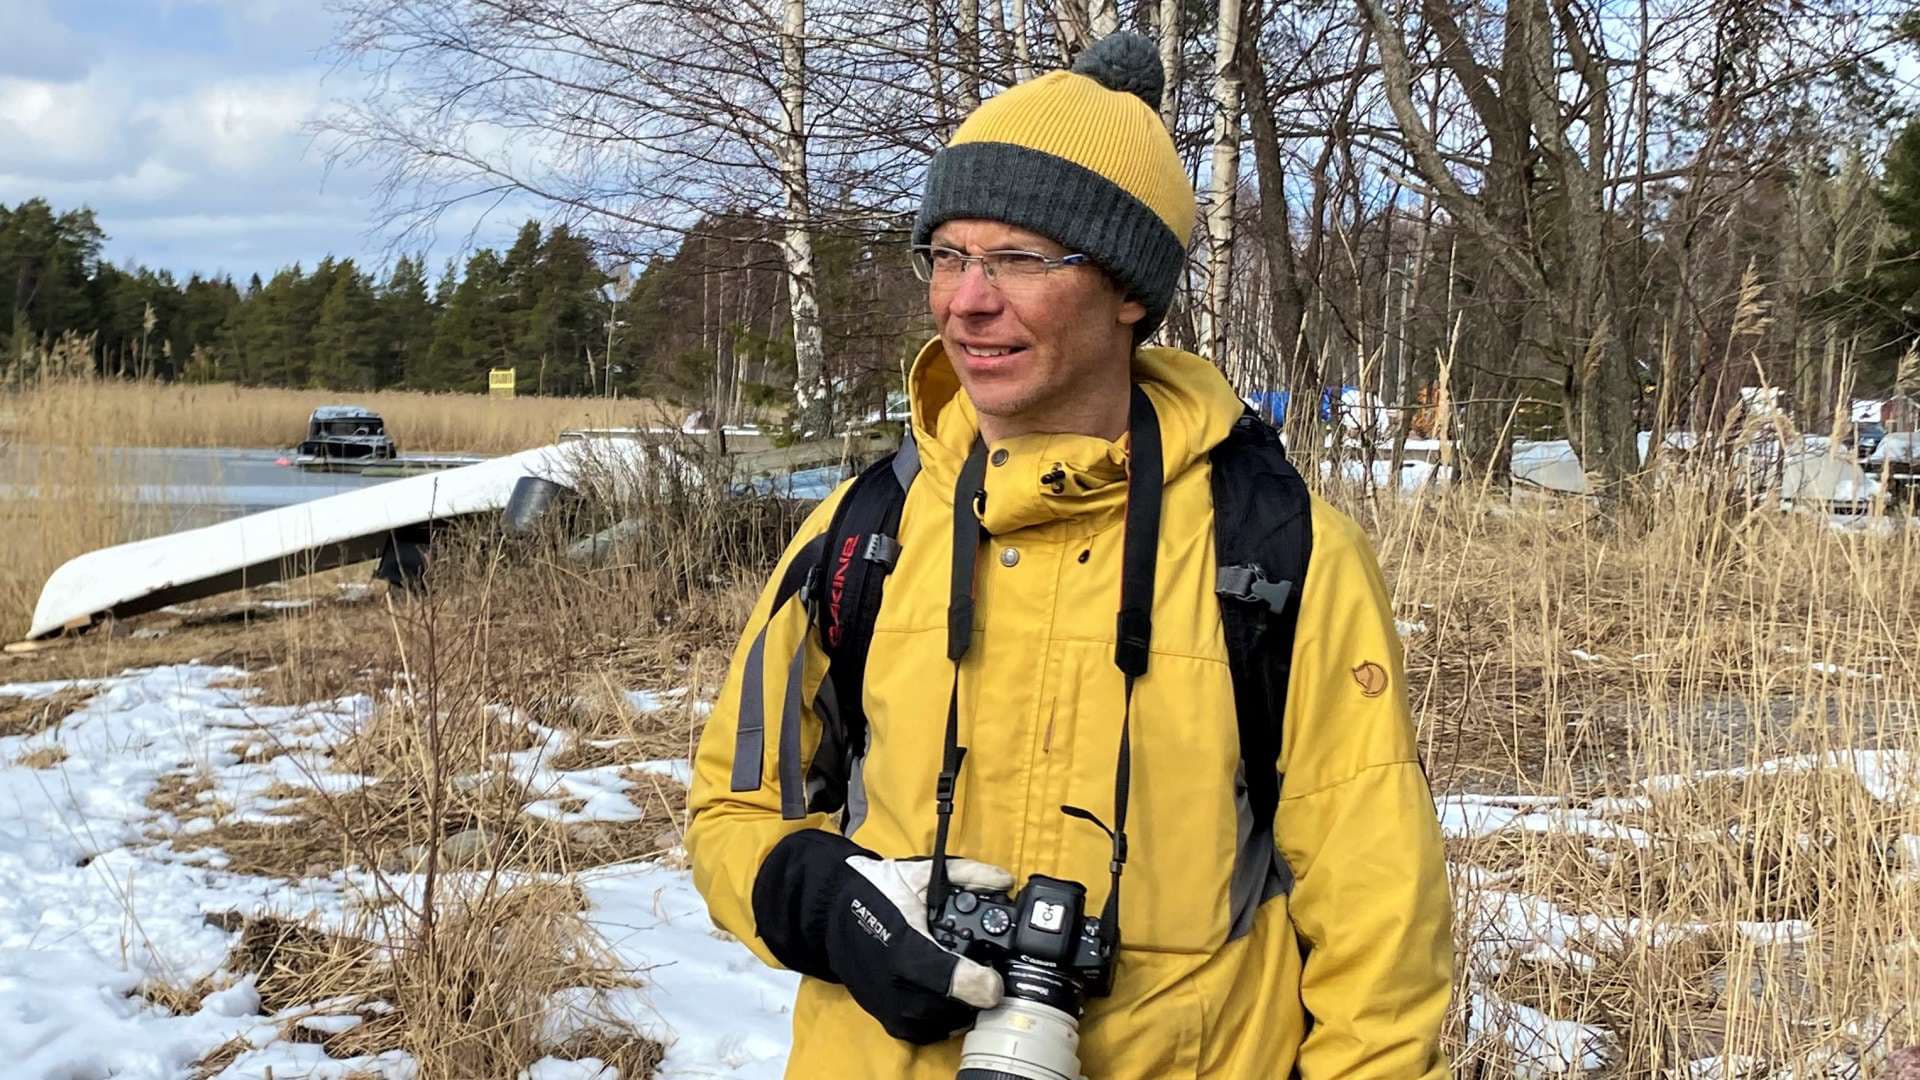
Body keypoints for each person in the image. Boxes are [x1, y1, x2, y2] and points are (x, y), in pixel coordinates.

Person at [687, 31, 1452, 1078]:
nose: (967, 300)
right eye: (948, 255)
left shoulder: (1281, 555)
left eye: (1018, 259)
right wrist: (819, 901)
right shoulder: (860, 534)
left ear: (1130, 290)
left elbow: (1380, 931)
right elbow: (734, 811)